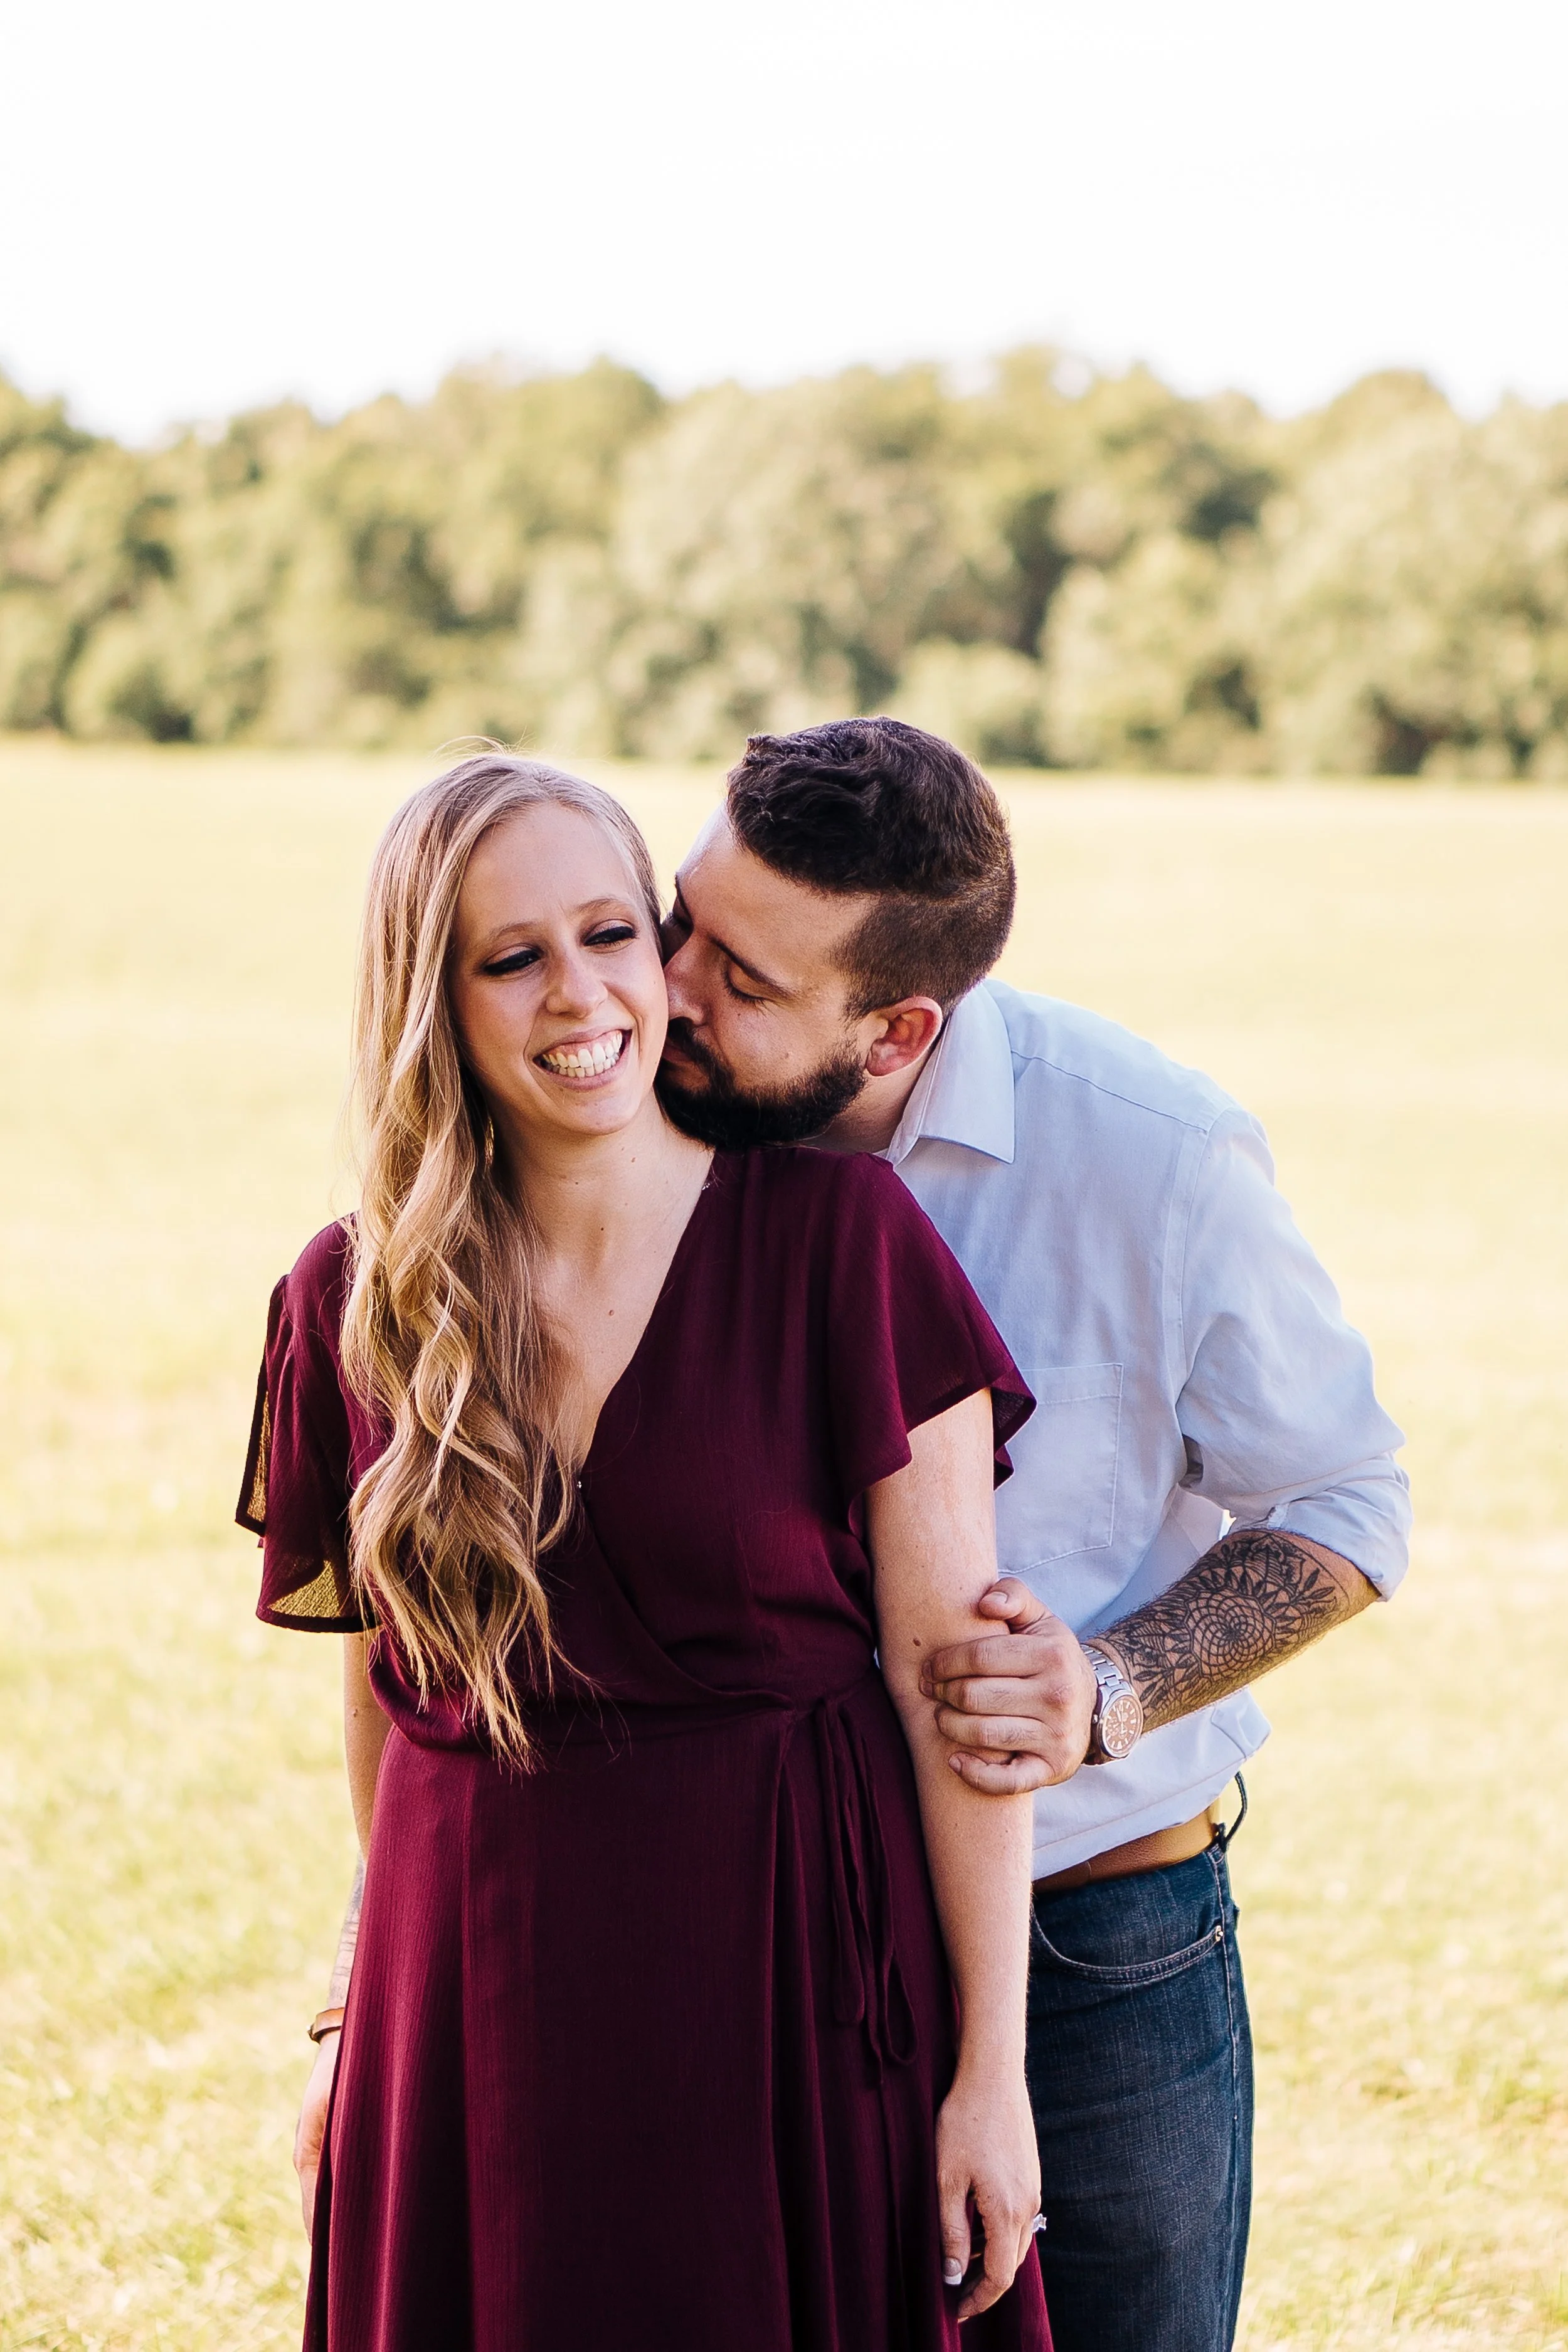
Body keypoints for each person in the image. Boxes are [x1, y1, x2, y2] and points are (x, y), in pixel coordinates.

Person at [238, 753, 1052, 2352]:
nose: (584, 995)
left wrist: (990, 2076)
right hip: (473, 1992)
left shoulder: (842, 1246)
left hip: (791, 1994)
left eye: (613, 933)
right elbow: (389, 1709)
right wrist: (361, 2014)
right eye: (511, 956)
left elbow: (948, 1685)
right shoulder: (350, 1301)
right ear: (434, 998)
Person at [648, 718, 1412, 2352]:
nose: (671, 991)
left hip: (1091, 1935)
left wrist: (1108, 1682)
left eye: (745, 979)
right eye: (680, 923)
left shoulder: (1151, 1153)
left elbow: (1345, 1500)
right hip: (741, 1922)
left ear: (894, 1026)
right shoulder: (635, 1124)